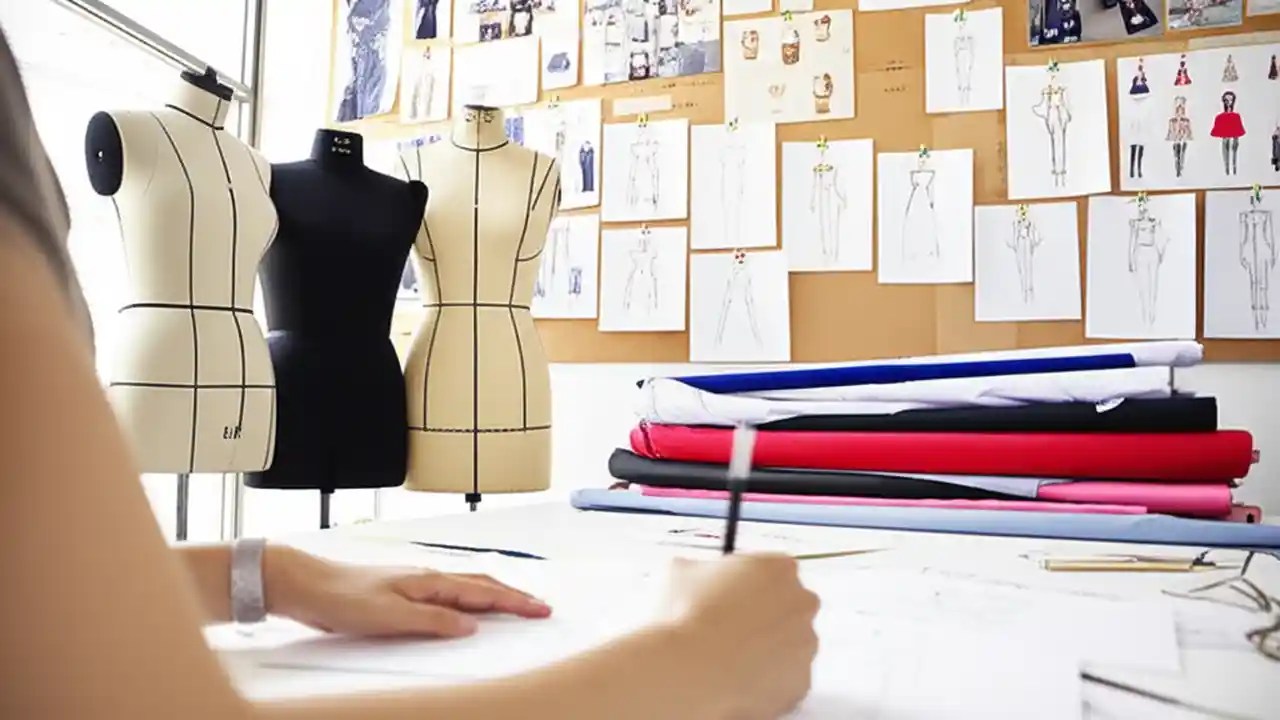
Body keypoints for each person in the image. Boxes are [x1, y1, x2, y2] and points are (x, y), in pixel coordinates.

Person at [0, 26, 819, 720]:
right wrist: (684, 669)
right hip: (242, 363)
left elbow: (38, 610)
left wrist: (262, 573)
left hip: (438, 370)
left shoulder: (331, 175)